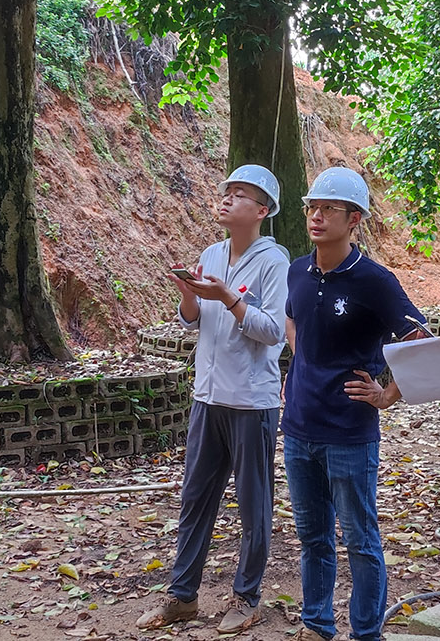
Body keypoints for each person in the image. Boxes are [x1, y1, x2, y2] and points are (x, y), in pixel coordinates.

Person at [135, 164, 292, 635]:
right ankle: (182, 596)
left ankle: (247, 597)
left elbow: (273, 332)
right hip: (207, 396)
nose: (226, 199)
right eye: (226, 192)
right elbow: (193, 320)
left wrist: (228, 297)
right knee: (195, 499)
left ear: (261, 210)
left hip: (251, 401)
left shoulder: (273, 262)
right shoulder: (212, 253)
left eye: (239, 194)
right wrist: (189, 295)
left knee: (253, 505)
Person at [282, 166, 426, 641]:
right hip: (298, 429)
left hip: (348, 432)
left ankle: (366, 633)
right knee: (313, 537)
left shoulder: (374, 280)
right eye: (312, 207)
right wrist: (302, 364)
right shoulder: (298, 270)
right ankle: (316, 625)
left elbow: (419, 339)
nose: (317, 216)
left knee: (360, 540)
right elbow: (291, 317)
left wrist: (388, 394)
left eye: (329, 209)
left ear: (354, 219)